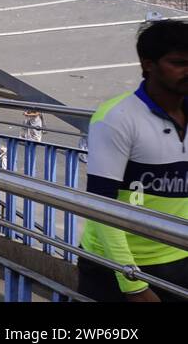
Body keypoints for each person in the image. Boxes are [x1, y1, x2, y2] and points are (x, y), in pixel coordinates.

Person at [78, 19, 188, 302]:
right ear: (148, 64)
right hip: (117, 266)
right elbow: (102, 204)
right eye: (178, 63)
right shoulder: (117, 118)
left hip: (178, 254)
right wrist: (132, 283)